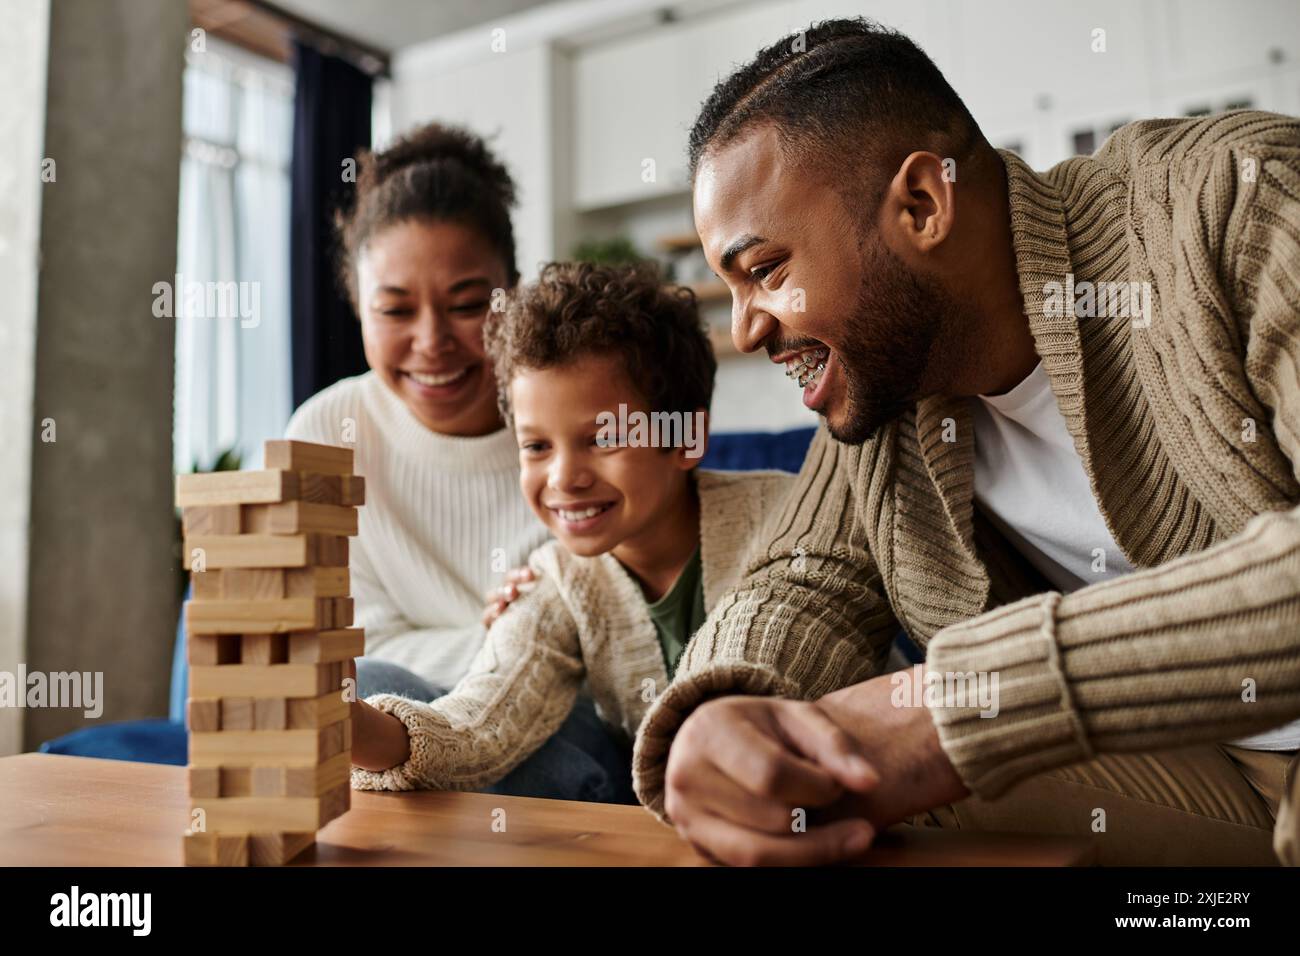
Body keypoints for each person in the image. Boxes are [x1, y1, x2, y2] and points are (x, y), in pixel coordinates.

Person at [631, 17, 1300, 865]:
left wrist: (961, 705)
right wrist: (716, 714)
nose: (749, 327)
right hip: (1210, 777)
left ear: (921, 204)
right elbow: (802, 584)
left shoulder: (1243, 200)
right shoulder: (888, 382)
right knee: (811, 794)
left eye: (766, 271)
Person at [349, 261, 795, 797]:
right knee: (372, 680)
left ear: (684, 438)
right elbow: (482, 724)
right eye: (537, 446)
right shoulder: (558, 578)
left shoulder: (783, 513)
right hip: (645, 807)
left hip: (801, 791)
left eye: (602, 439)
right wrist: (343, 724)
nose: (564, 478)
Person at [286, 123, 621, 802]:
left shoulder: (580, 421)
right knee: (368, 693)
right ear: (357, 302)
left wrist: (535, 656)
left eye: (468, 305)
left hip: (564, 727)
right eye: (395, 309)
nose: (433, 343)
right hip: (391, 721)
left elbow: (610, 654)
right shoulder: (326, 432)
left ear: (514, 292)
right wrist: (511, 644)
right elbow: (330, 656)